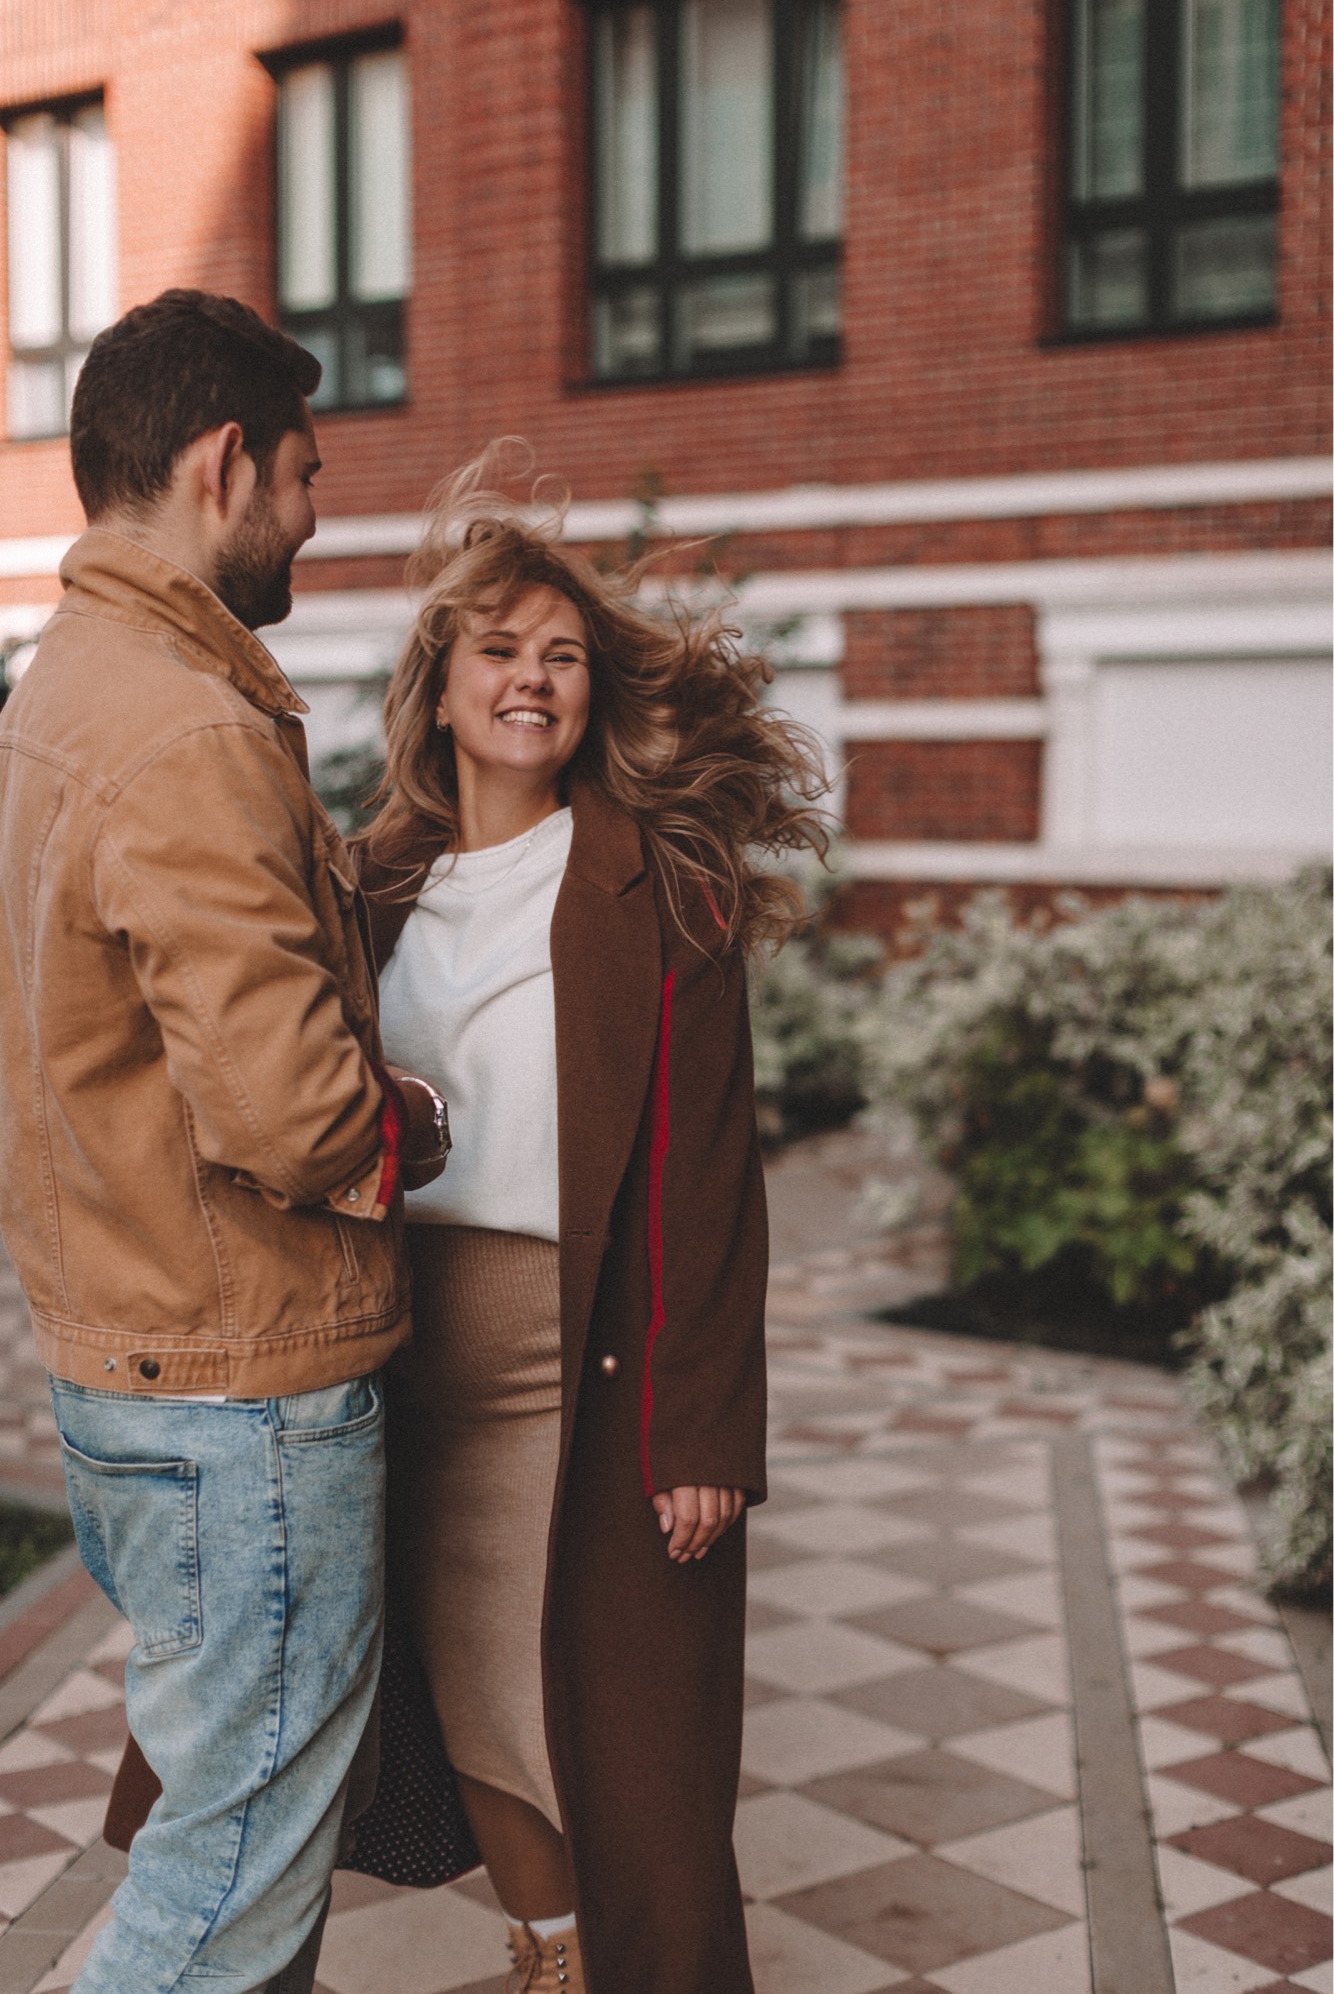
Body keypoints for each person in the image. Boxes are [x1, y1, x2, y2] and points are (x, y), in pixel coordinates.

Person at [0, 290, 449, 1994]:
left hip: (134, 1356)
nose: (317, 514)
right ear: (222, 462)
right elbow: (283, 1106)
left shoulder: (68, 690)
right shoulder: (185, 726)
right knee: (233, 1866)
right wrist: (407, 1123)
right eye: (307, 475)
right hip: (237, 1385)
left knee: (228, 1836)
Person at [356, 446, 827, 1994]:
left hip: (586, 1379)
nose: (532, 677)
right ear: (440, 688)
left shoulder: (657, 885)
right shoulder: (371, 887)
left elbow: (708, 1183)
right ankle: (552, 1955)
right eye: (498, 649)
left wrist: (701, 1428)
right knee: (464, 1697)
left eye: (560, 657)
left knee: (625, 1740)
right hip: (399, 1370)